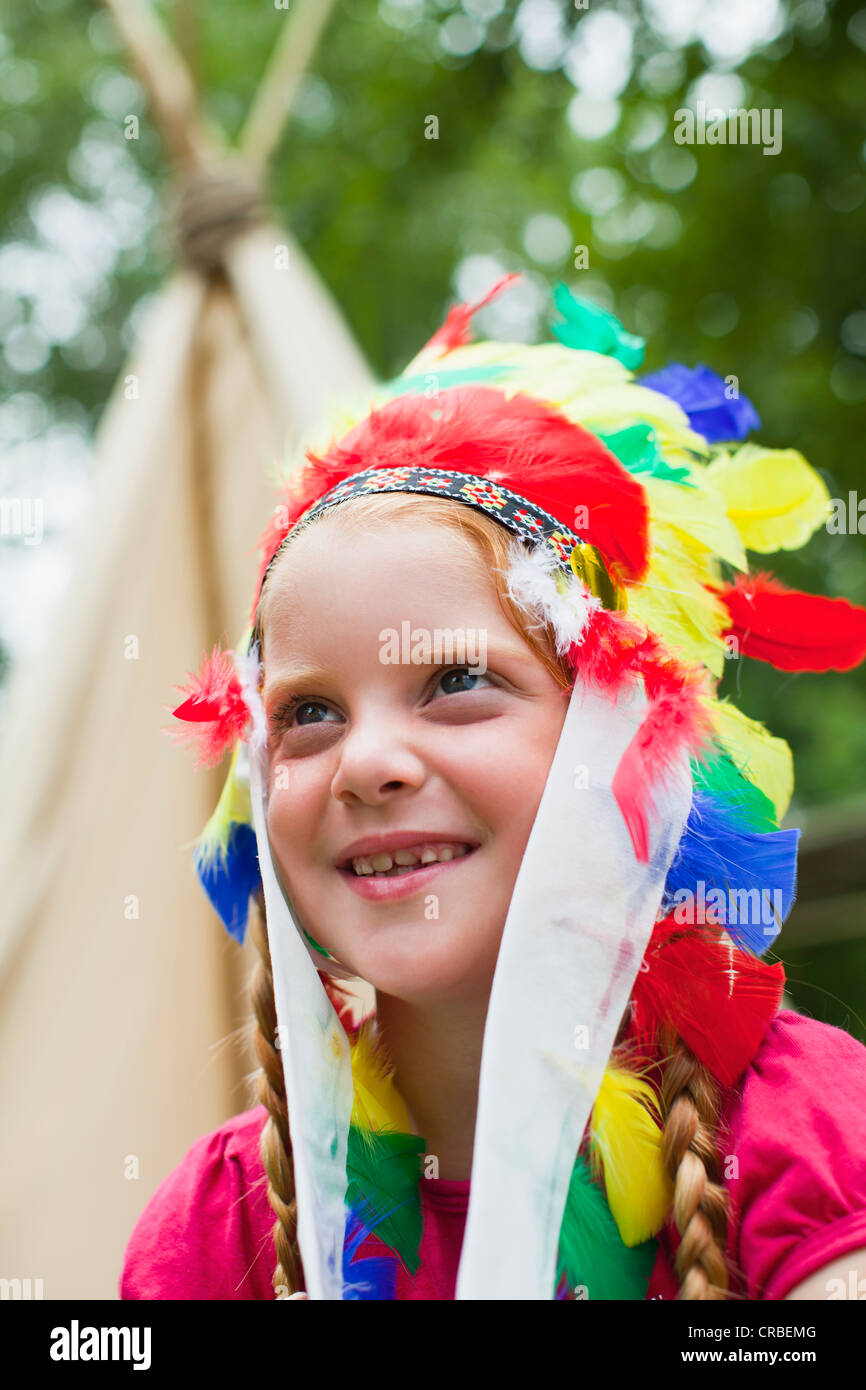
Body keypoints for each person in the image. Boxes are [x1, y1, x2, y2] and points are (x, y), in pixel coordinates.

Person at [120, 276, 866, 1301]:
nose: (367, 762)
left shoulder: (806, 1138)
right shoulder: (218, 1225)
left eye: (457, 682)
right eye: (307, 712)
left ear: (619, 737)